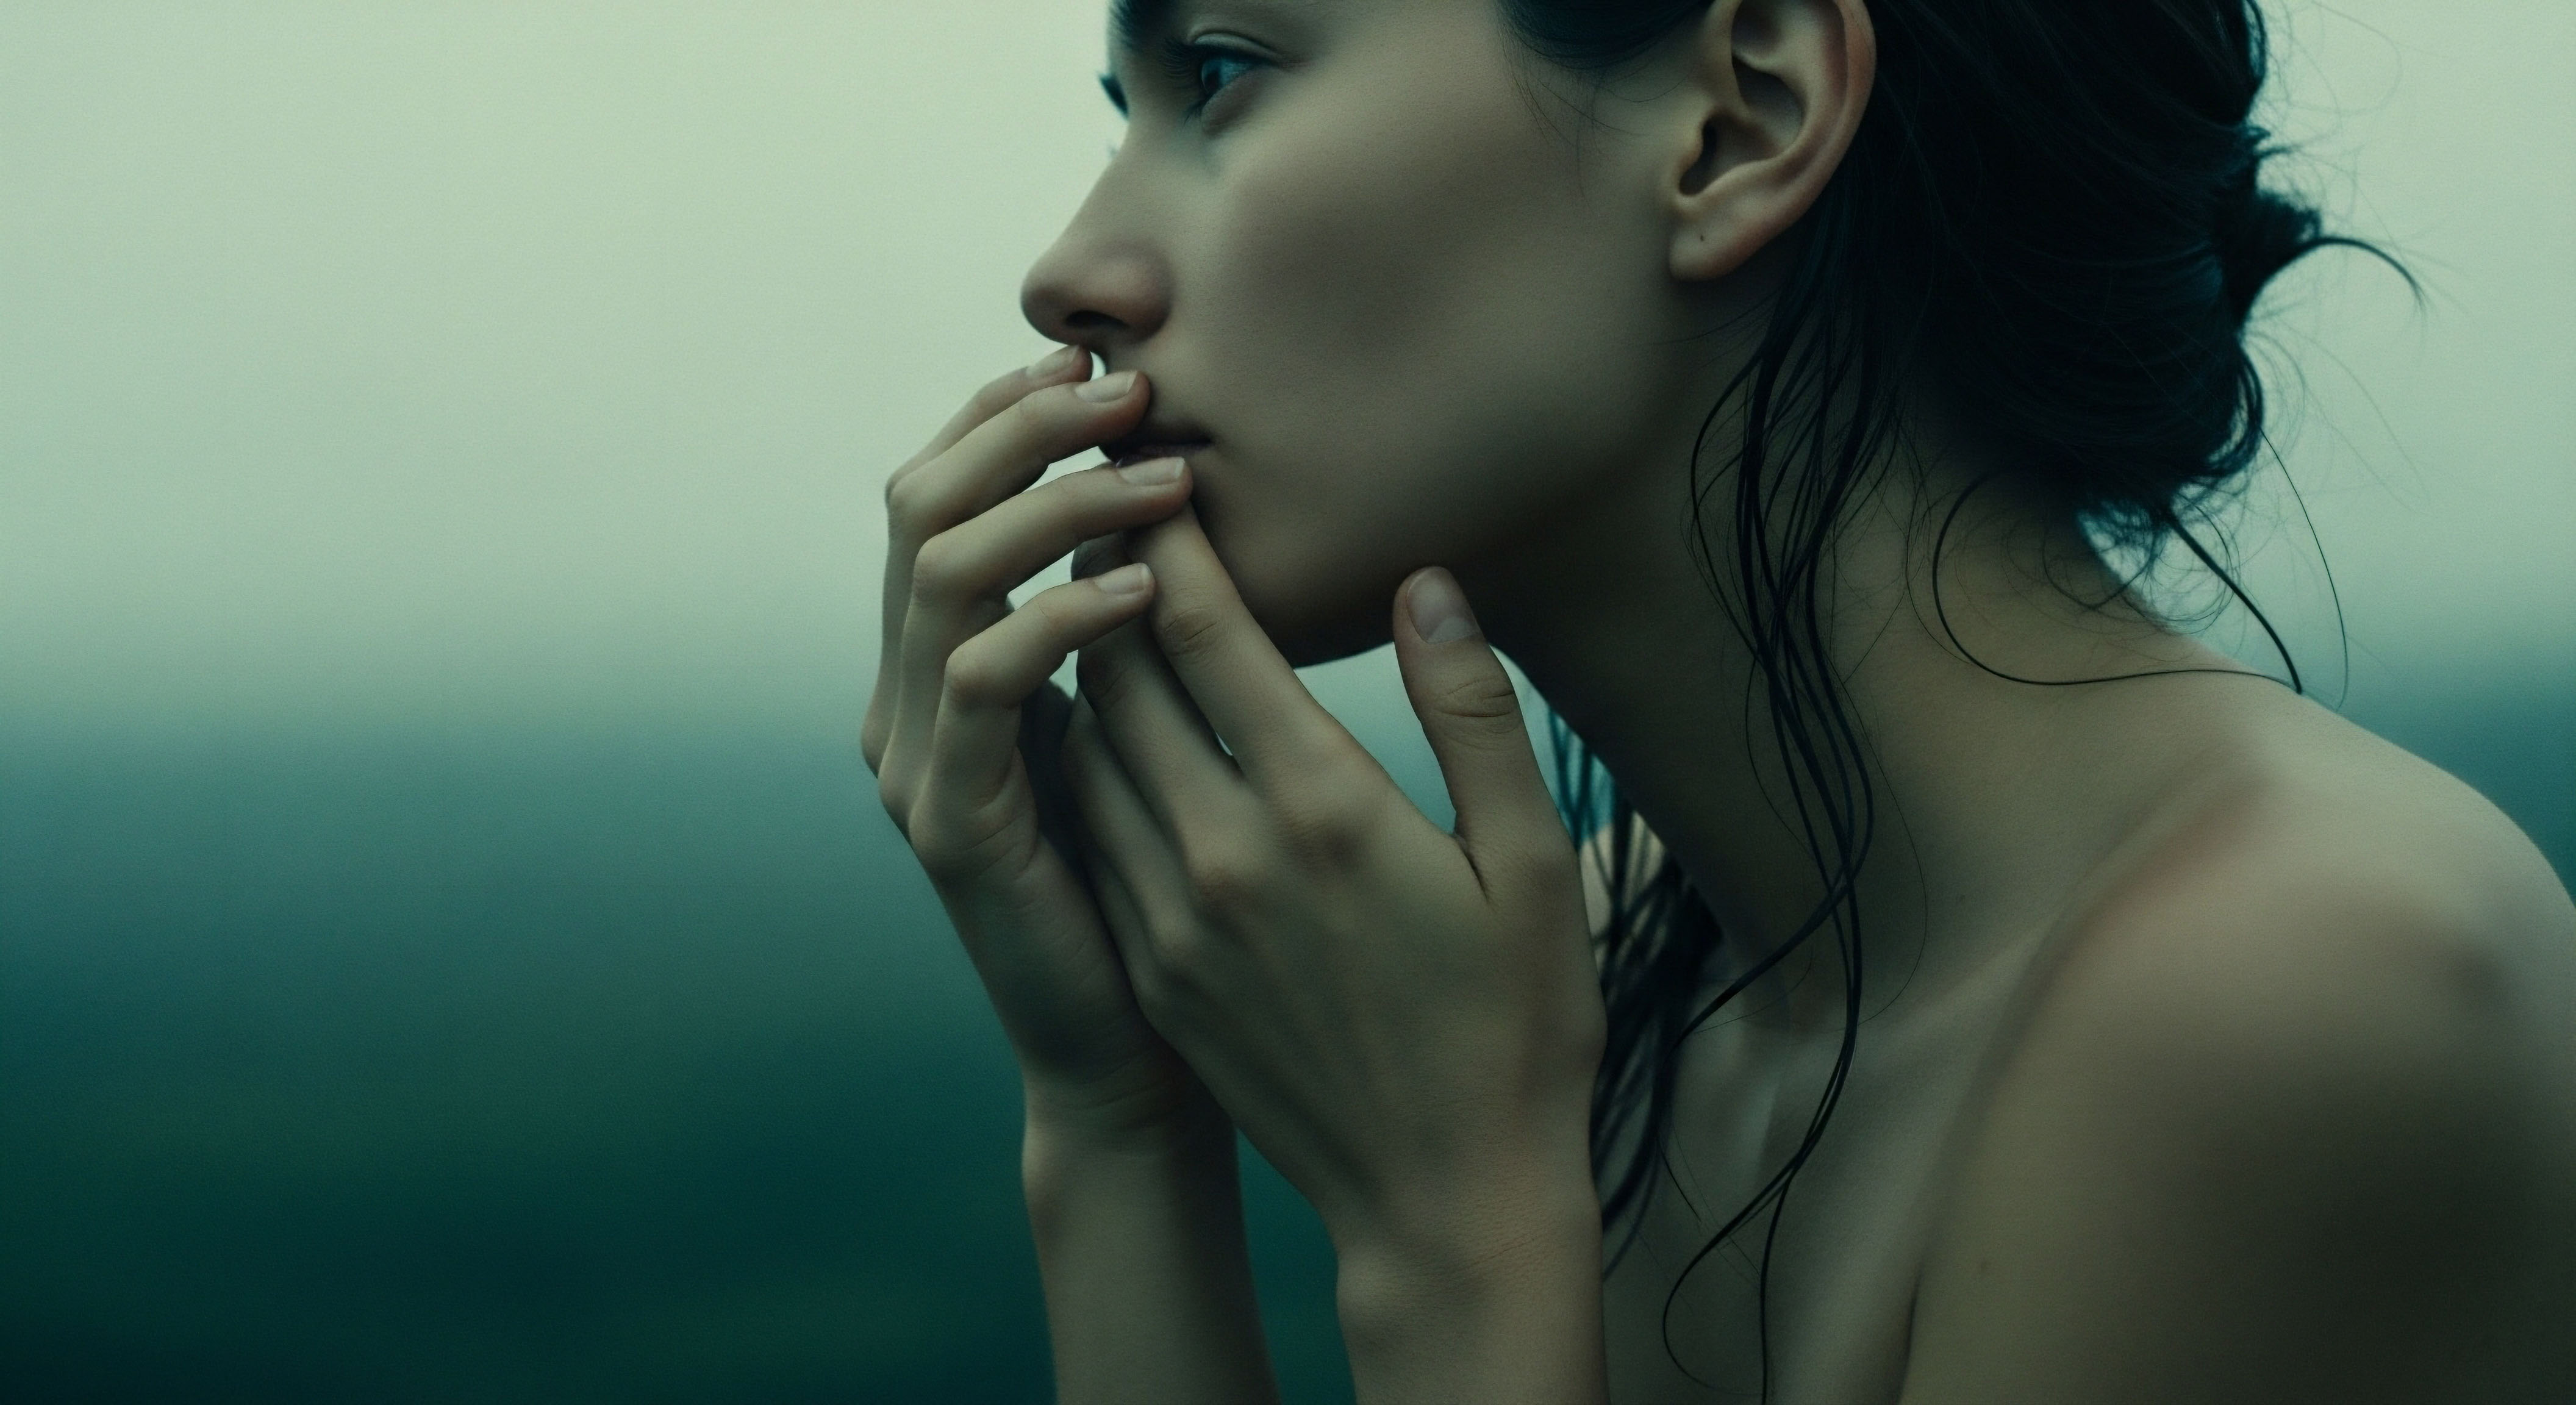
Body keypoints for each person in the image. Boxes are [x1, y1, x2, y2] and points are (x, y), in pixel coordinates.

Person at [863, 0, 2576, 1399]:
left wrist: (1461, 1257)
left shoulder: (2310, 995)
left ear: (1741, 118)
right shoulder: (1592, 981)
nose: (1073, 269)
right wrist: (1112, 1121)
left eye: (1220, 77)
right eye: (1125, 109)